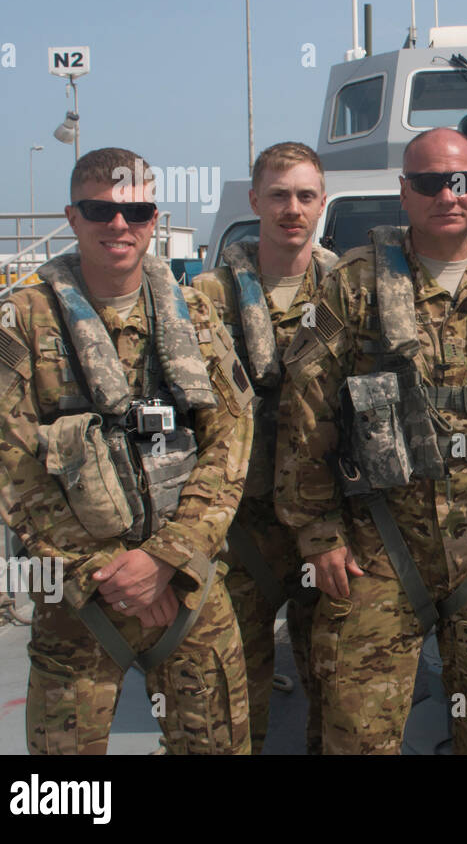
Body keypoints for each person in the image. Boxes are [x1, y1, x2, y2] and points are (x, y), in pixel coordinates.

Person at [274, 127, 467, 754]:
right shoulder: (353, 285)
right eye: (430, 182)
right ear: (404, 193)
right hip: (378, 545)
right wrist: (317, 534)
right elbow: (307, 415)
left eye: (461, 180)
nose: (448, 194)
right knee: (358, 732)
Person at [0, 147, 254, 754]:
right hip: (78, 600)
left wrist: (168, 559)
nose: (119, 226)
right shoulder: (20, 325)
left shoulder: (194, 314)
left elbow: (230, 440)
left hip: (188, 585)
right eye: (101, 210)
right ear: (73, 216)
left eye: (137, 211)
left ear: (154, 218)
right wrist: (106, 573)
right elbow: (8, 467)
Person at [194, 142, 335, 754]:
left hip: (327, 527)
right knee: (228, 699)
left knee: (338, 692)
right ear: (254, 200)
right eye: (278, 195)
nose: (291, 209)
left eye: (305, 196)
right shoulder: (206, 297)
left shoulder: (349, 289)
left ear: (322, 204)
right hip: (236, 533)